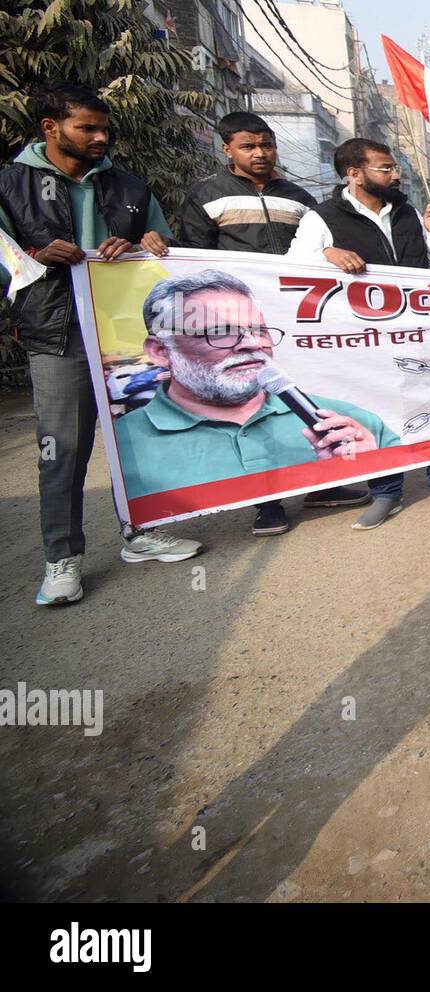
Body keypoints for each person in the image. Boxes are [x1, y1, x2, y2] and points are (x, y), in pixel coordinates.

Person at [0, 83, 201, 607]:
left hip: (126, 332)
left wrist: (146, 245)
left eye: (103, 128)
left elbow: (161, 254)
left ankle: (143, 531)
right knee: (63, 448)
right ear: (51, 128)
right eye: (87, 128)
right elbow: (3, 259)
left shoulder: (129, 186)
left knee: (136, 434)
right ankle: (61, 559)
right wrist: (34, 253)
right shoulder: (10, 184)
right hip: (56, 333)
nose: (100, 137)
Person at [177, 111, 368, 536]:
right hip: (236, 324)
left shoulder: (298, 196)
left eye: (266, 144)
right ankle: (268, 501)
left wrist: (327, 254)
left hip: (292, 320)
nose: (260, 153)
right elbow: (194, 258)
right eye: (248, 146)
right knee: (254, 409)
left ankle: (321, 484)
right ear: (226, 149)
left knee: (306, 402)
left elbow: (315, 249)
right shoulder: (206, 194)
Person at [289, 137, 430, 527]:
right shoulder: (323, 218)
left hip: (417, 329)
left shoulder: (406, 210)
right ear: (354, 173)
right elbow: (292, 267)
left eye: (393, 167)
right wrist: (326, 255)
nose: (395, 174)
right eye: (385, 168)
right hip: (364, 337)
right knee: (375, 412)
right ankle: (385, 493)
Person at [116, 271, 398, 495]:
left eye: (259, 330)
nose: (251, 345)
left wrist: (370, 464)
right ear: (160, 351)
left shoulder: (343, 419)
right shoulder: (125, 446)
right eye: (220, 332)